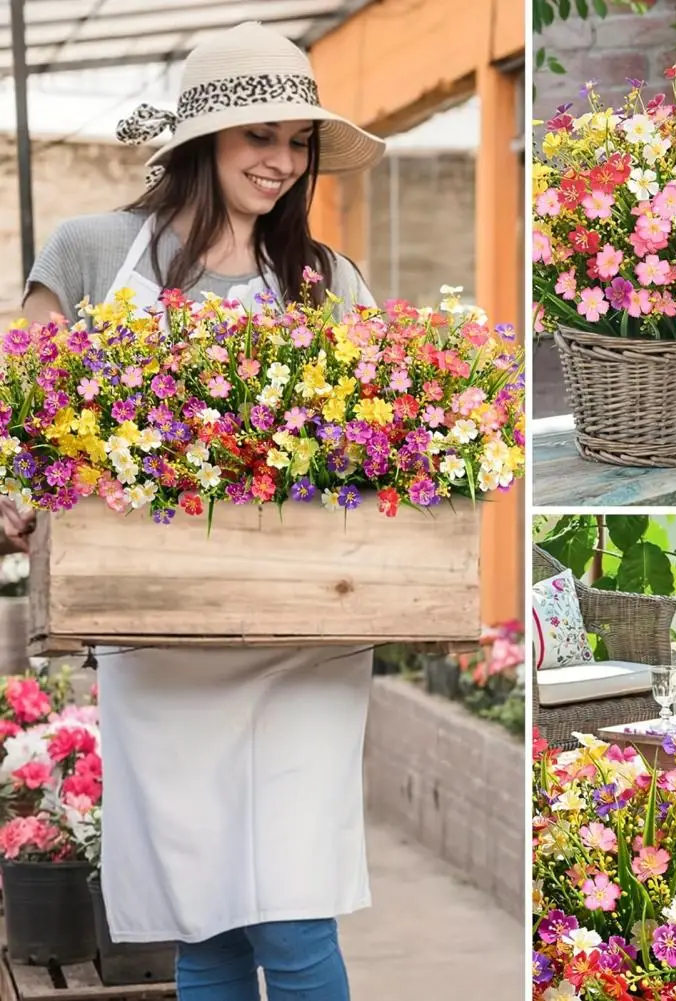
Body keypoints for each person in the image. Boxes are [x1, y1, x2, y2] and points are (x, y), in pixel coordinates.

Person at [0, 21, 386, 1001]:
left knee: (295, 918)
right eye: (259, 136)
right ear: (201, 141)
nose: (282, 160)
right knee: (201, 923)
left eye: (297, 141)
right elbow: (18, 413)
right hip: (155, 635)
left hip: (306, 637)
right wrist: (17, 492)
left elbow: (394, 430)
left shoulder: (325, 282)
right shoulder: (92, 252)